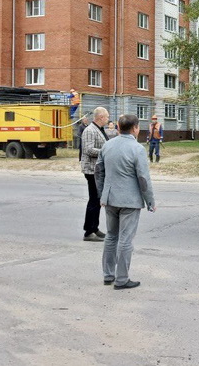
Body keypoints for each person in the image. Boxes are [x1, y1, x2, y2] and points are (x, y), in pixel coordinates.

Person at [95, 114, 156, 290]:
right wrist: (150, 201)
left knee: (111, 236)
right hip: (129, 201)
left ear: (119, 128)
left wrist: (102, 195)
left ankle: (108, 275)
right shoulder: (137, 149)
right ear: (135, 128)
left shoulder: (107, 145)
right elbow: (143, 178)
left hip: (110, 199)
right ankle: (122, 279)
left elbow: (99, 172)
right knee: (125, 240)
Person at [80, 107, 110, 242]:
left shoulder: (99, 129)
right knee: (94, 200)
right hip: (91, 170)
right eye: (107, 117)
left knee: (97, 200)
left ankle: (94, 228)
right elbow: (88, 150)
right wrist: (106, 151)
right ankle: (88, 231)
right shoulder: (89, 130)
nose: (108, 119)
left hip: (97, 170)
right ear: (100, 117)